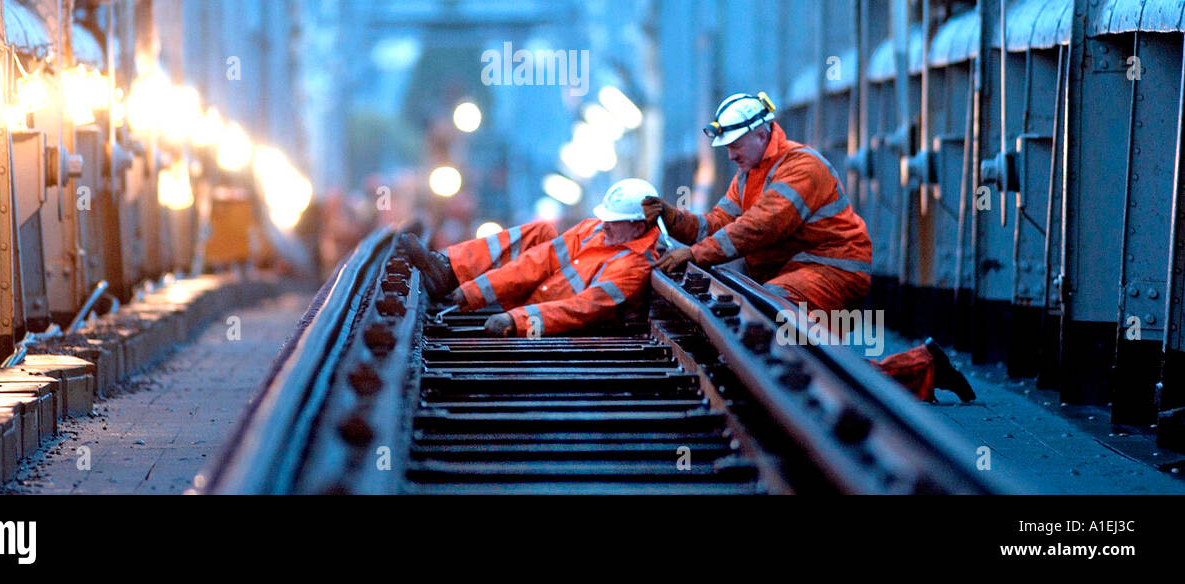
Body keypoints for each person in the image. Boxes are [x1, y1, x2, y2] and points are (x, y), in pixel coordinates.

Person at [643, 91, 974, 403]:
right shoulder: (749, 174)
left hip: (831, 271)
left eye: (736, 144)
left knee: (777, 325)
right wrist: (673, 217)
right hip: (800, 273)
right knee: (817, 365)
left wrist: (696, 254)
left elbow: (761, 225)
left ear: (761, 134)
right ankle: (923, 365)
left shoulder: (802, 167)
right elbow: (716, 225)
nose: (730, 155)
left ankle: (909, 372)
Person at [395, 178, 663, 338]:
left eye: (614, 222)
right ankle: (450, 271)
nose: (604, 226)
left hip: (551, 321)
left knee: (544, 243)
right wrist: (474, 291)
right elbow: (539, 259)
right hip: (537, 297)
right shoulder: (593, 229)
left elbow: (581, 310)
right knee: (542, 232)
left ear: (639, 227)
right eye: (605, 218)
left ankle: (452, 275)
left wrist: (518, 321)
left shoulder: (632, 269)